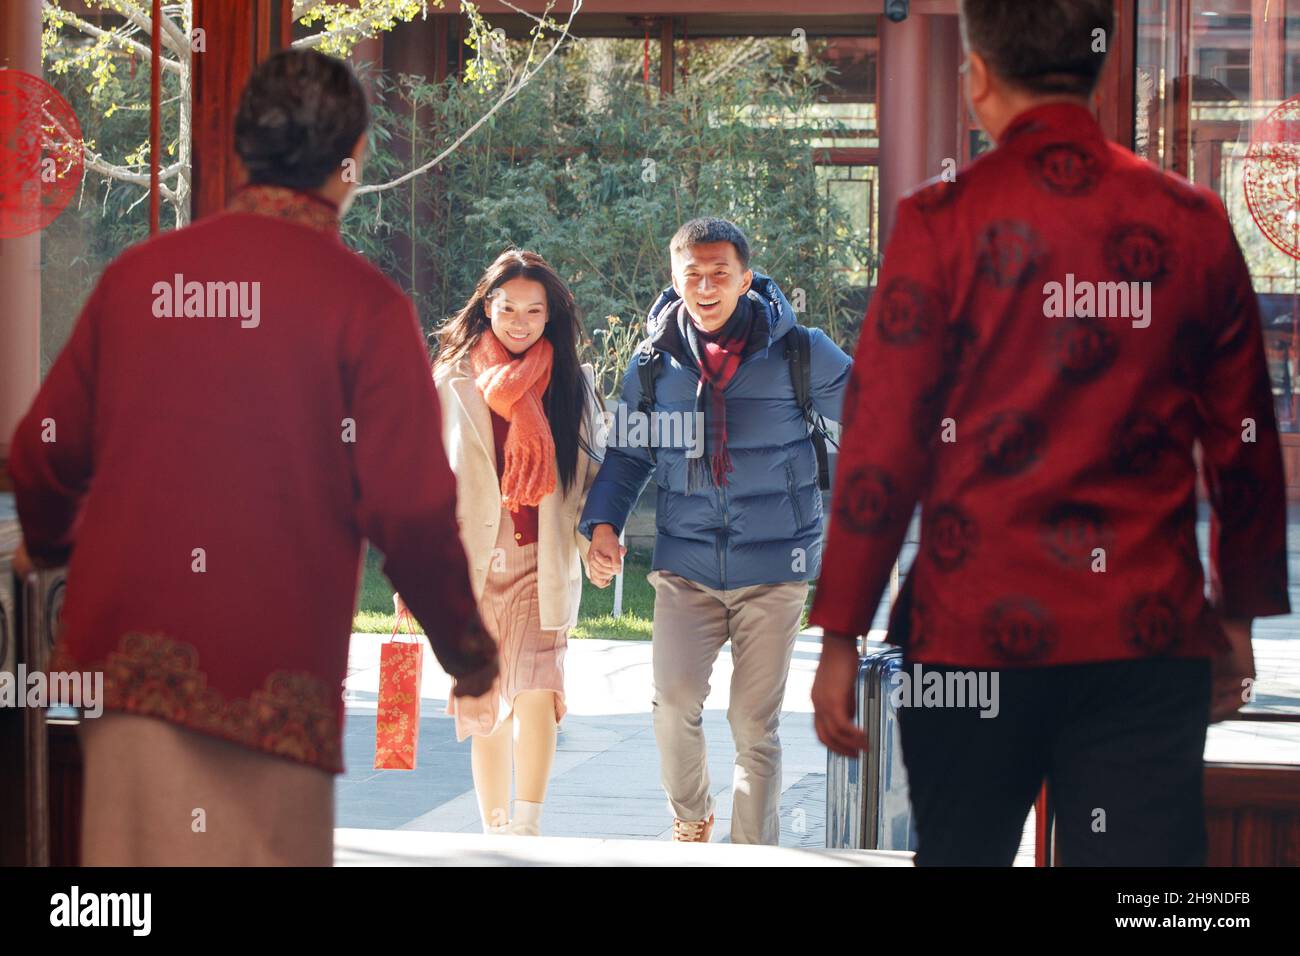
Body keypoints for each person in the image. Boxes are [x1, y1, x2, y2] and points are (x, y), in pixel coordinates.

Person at [809, 0, 1290, 866]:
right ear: (1100, 69)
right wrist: (1240, 617)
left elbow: (882, 445)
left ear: (980, 77)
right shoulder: (1191, 221)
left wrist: (842, 631)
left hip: (968, 633)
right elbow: (1244, 437)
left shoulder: (938, 223)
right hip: (1143, 633)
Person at [7, 49, 497, 866]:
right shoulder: (366, 309)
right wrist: (468, 654)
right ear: (354, 159)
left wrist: (54, 543)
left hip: (122, 664)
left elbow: (42, 450)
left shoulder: (140, 280)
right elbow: (409, 509)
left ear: (239, 151)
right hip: (272, 677)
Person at [581, 217, 852, 844]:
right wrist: (602, 524)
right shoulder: (655, 366)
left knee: (753, 725)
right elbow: (627, 455)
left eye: (718, 274)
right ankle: (692, 817)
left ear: (745, 278)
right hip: (687, 565)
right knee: (673, 704)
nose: (705, 287)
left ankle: (752, 855)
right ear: (675, 282)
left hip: (775, 567)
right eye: (691, 276)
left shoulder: (798, 351)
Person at [395, 250, 603, 837]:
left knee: (538, 691)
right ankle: (494, 828)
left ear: (549, 316)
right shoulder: (450, 382)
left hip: (544, 561)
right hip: (474, 567)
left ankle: (528, 826)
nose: (520, 321)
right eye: (508, 308)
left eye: (534, 311)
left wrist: (596, 546)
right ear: (487, 307)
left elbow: (587, 480)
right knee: (485, 701)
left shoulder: (570, 383)